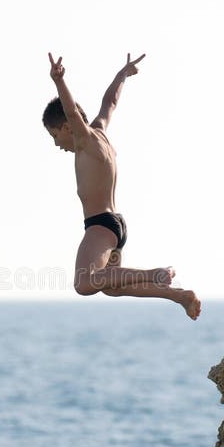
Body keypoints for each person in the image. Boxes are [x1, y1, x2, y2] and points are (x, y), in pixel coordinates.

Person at [43, 52, 201, 320]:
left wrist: (59, 81)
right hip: (115, 224)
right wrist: (122, 75)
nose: (57, 144)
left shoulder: (84, 140)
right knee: (112, 287)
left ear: (68, 128)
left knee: (84, 283)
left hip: (100, 225)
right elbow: (110, 103)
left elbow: (70, 110)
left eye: (55, 135)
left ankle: (155, 274)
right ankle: (179, 295)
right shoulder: (100, 131)